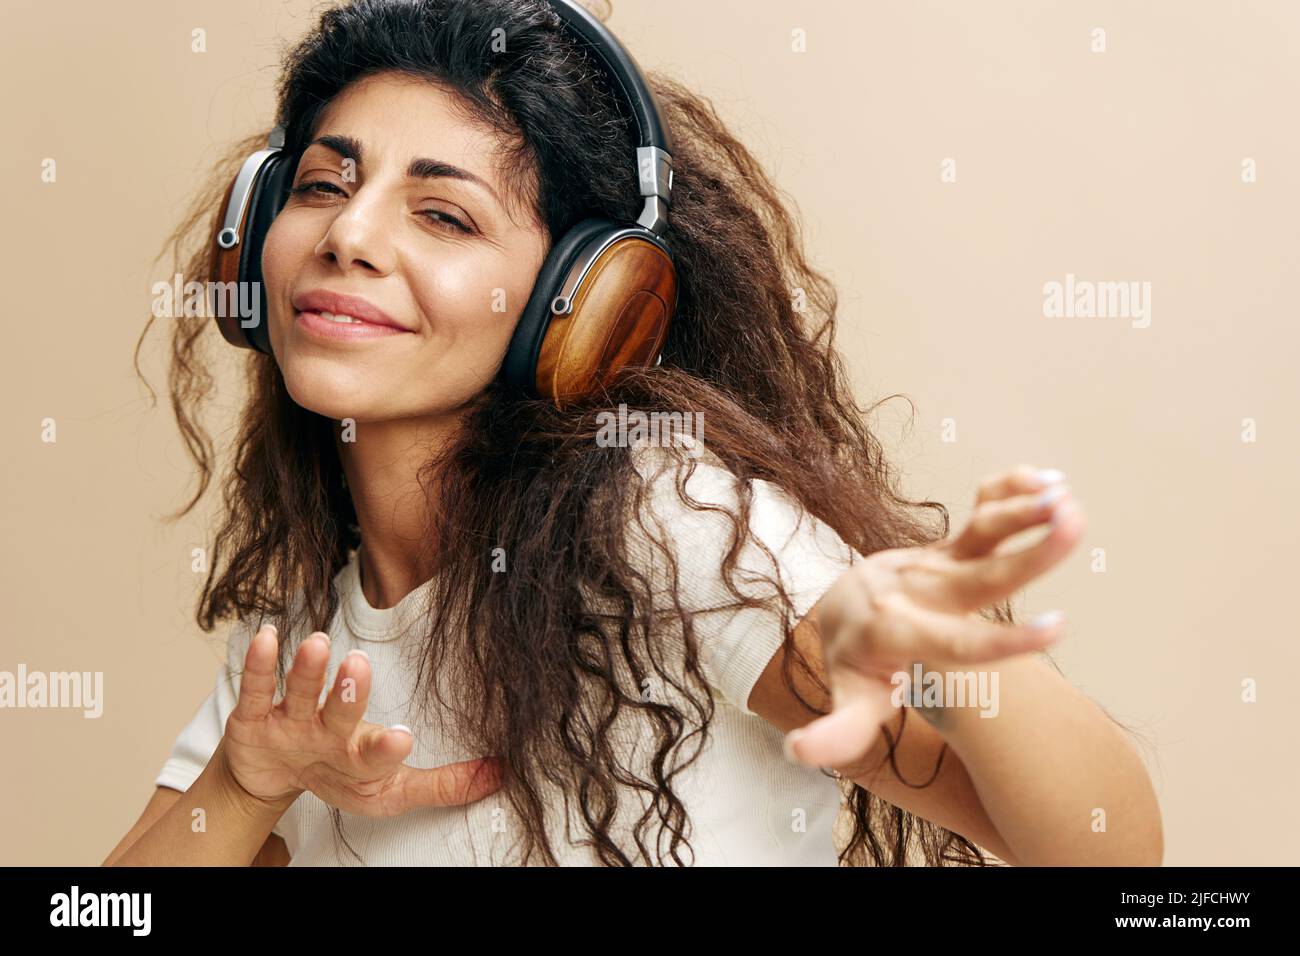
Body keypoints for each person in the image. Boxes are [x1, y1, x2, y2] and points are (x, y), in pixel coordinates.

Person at [104, 0, 1161, 867]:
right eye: (325, 185)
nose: (347, 235)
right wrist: (244, 782)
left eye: (444, 214)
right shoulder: (295, 658)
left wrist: (949, 661)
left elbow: (1107, 853)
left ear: (585, 299)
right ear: (253, 245)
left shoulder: (664, 531)